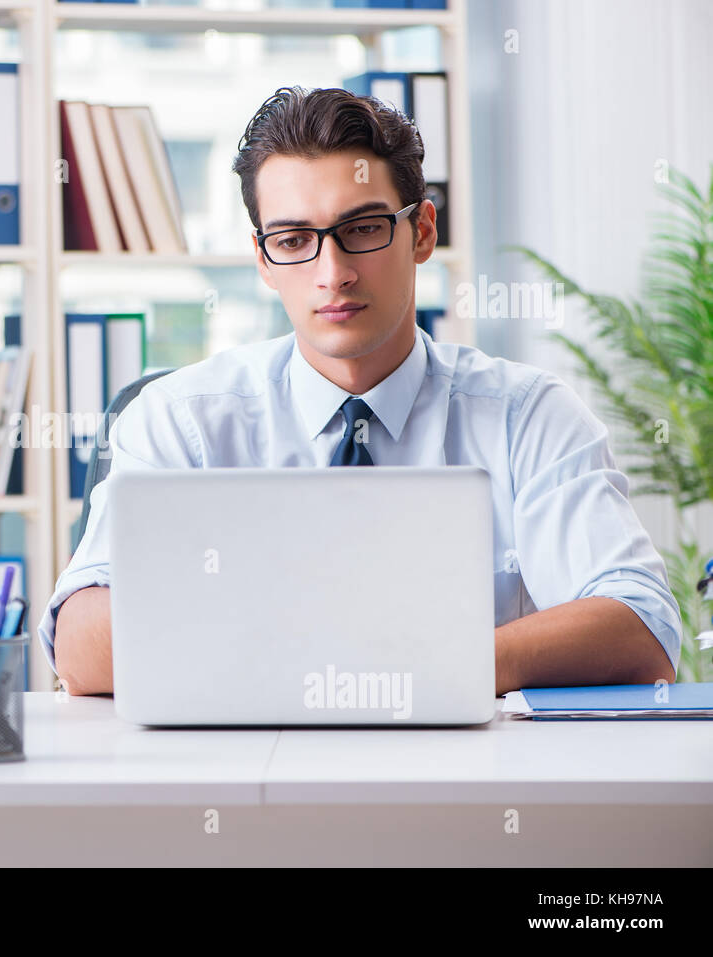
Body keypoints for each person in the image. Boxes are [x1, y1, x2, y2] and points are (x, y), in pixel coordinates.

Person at [37, 86, 681, 697]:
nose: (333, 273)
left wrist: (431, 669)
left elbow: (641, 625)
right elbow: (83, 643)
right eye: (293, 241)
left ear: (422, 231)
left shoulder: (527, 416)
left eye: (365, 229)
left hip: (469, 787)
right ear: (263, 259)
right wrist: (318, 665)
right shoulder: (182, 421)